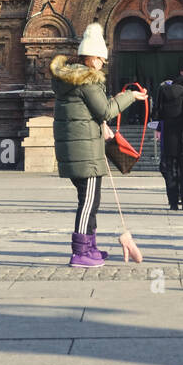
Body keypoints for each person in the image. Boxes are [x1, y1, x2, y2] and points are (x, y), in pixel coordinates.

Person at [51, 23, 146, 267]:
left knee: (90, 199)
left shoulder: (70, 81)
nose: (103, 64)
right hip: (85, 152)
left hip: (78, 148)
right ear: (92, 59)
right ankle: (81, 251)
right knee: (88, 202)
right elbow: (106, 110)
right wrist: (130, 96)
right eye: (101, 59)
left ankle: (90, 246)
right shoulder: (87, 82)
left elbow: (91, 113)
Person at [154, 69, 183, 211]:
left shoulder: (163, 93)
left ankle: (173, 202)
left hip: (169, 140)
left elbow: (157, 115)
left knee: (171, 172)